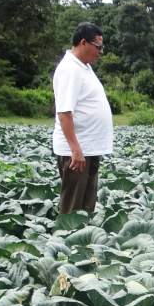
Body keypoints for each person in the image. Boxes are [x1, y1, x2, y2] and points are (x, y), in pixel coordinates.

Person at [52, 22, 112, 215]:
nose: (101, 52)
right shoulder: (70, 69)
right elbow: (64, 113)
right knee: (72, 209)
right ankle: (65, 242)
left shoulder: (83, 67)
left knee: (86, 207)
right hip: (77, 152)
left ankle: (81, 244)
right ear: (83, 43)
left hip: (89, 149)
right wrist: (75, 150)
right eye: (98, 46)